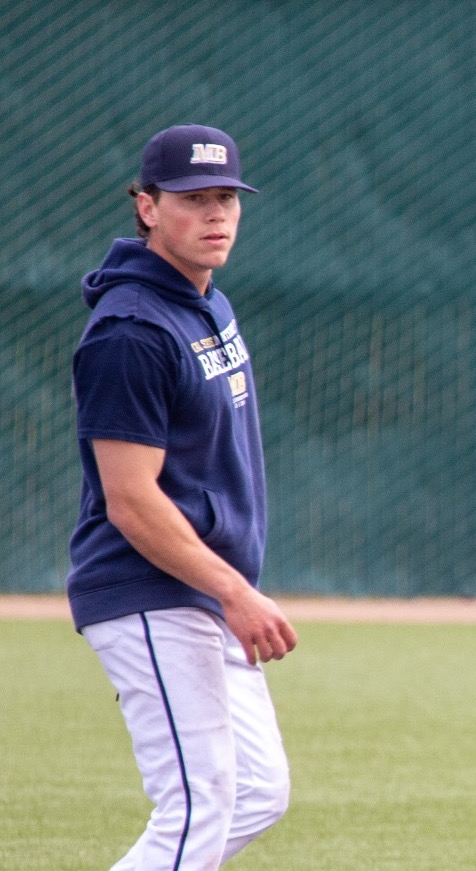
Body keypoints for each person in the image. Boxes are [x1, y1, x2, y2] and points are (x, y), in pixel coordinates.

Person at [68, 123, 298, 868]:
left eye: (226, 196)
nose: (216, 214)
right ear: (146, 206)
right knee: (197, 806)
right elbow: (130, 500)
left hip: (199, 592)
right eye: (193, 198)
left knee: (257, 790)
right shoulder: (131, 332)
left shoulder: (206, 303)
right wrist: (233, 590)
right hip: (150, 591)